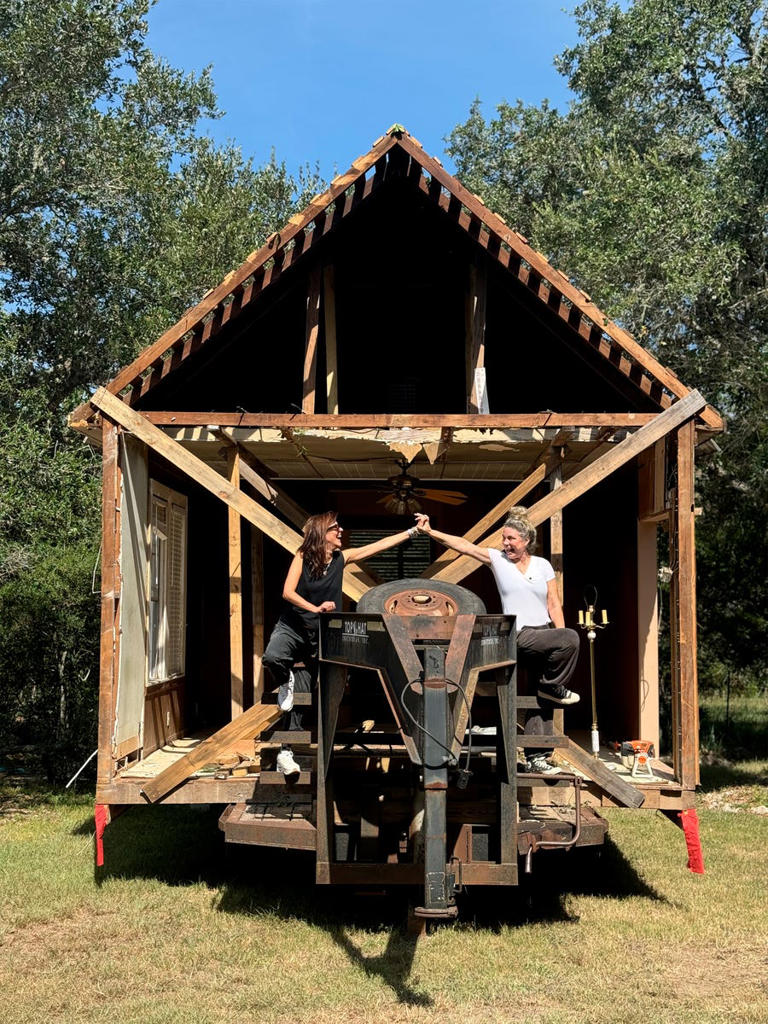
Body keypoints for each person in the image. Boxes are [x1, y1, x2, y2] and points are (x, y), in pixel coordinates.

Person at [414, 507, 580, 774]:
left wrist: (561, 642)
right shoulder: (498, 560)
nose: (505, 543)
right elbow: (464, 546)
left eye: (511, 539)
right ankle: (553, 686)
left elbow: (554, 604)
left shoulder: (543, 566)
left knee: (546, 687)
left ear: (526, 540)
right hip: (519, 634)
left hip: (545, 633)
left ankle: (537, 757)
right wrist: (431, 531)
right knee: (569, 641)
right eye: (504, 538)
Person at [263, 511, 421, 778]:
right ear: (323, 533)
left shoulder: (341, 558)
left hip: (317, 636)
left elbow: (376, 546)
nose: (341, 530)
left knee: (301, 698)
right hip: (292, 627)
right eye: (336, 527)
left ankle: (285, 752)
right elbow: (287, 592)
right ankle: (285, 680)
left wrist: (412, 532)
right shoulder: (303, 556)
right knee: (272, 657)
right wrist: (315, 608)